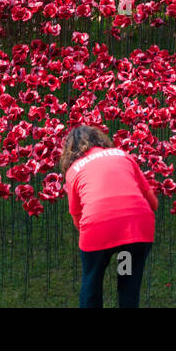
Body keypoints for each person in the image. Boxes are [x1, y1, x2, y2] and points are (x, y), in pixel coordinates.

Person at [61, 125, 158, 308]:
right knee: (127, 280)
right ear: (100, 139)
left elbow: (76, 214)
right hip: (134, 231)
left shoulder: (74, 170)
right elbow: (152, 202)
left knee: (92, 282)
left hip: (98, 231)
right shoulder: (122, 155)